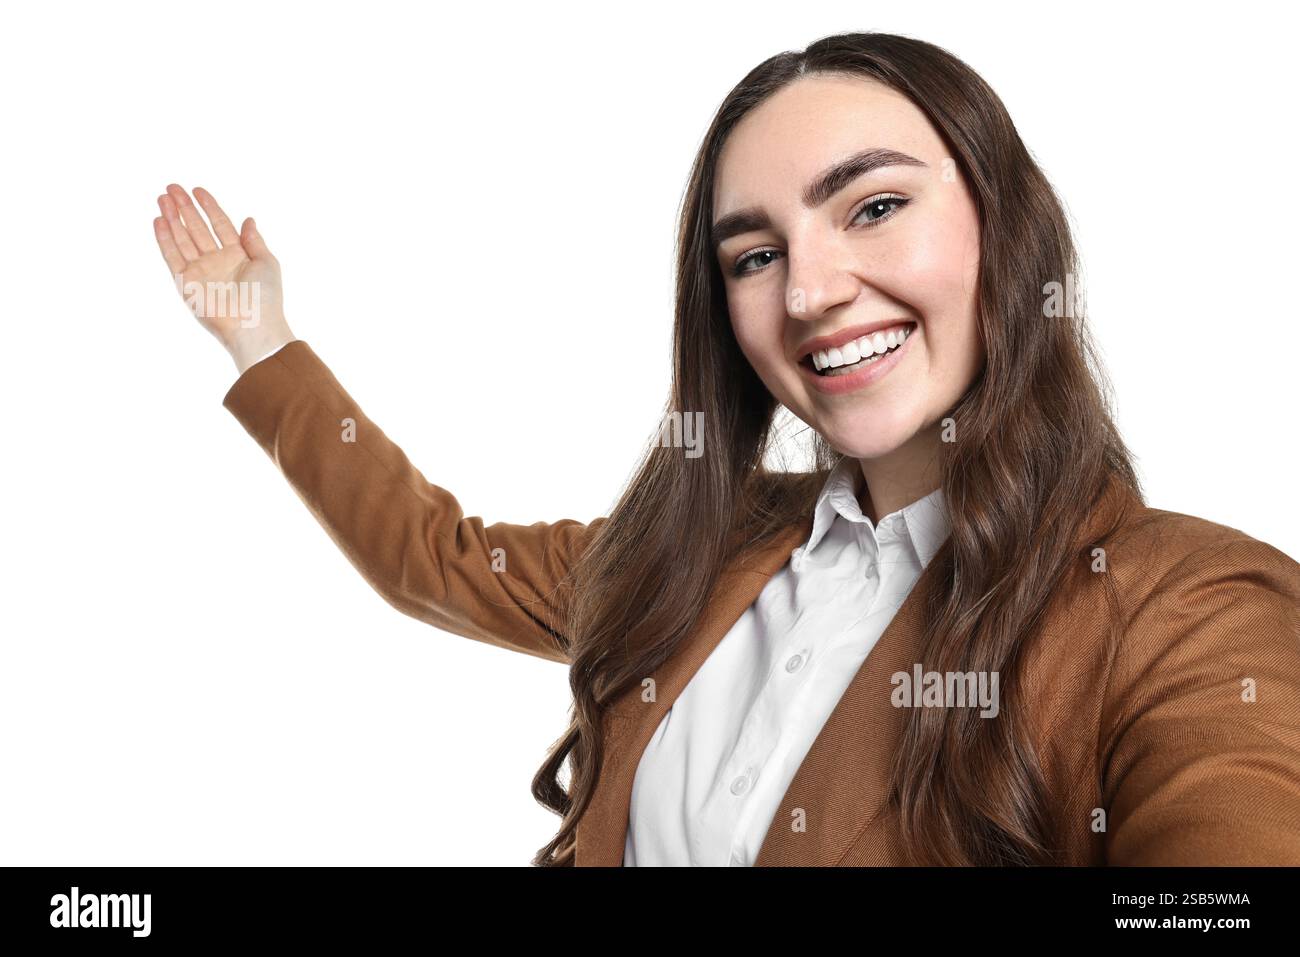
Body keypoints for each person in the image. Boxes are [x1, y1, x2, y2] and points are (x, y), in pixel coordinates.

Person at [153, 32, 1300, 867]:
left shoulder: (1188, 608)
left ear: (1010, 229)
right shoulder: (697, 552)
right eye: (752, 256)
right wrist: (261, 341)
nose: (808, 290)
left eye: (873, 208)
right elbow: (433, 558)